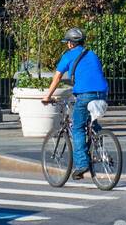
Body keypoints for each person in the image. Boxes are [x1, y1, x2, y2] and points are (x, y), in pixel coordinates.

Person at [41, 28, 109, 181]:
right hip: (102, 93)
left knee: (77, 128)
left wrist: (47, 96)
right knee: (93, 124)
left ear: (71, 44)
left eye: (68, 43)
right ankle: (102, 150)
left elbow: (57, 78)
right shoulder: (92, 54)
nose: (67, 46)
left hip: (85, 94)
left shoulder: (68, 55)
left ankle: (82, 164)